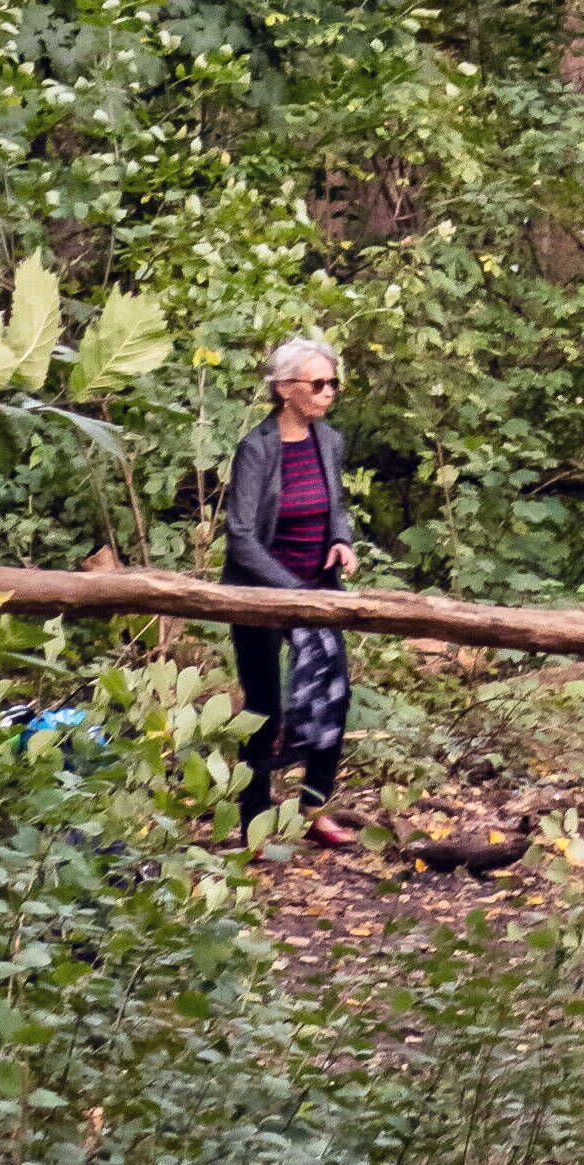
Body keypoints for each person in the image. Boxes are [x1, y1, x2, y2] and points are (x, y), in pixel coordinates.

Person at [222, 333, 360, 844]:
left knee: (333, 696)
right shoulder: (256, 448)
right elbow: (240, 536)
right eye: (318, 383)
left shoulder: (329, 440)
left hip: (318, 589)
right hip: (260, 592)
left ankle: (313, 809)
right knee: (263, 708)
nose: (329, 392)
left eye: (333, 383)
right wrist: (290, 590)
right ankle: (254, 825)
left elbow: (334, 505)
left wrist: (341, 540)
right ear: (284, 389)